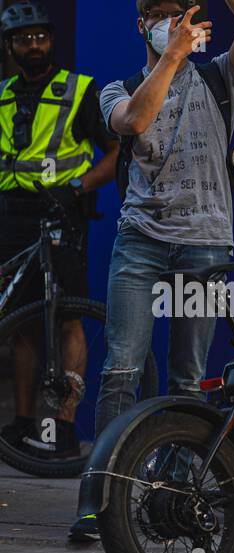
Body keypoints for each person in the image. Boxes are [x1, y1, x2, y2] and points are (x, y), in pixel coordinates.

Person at [69, 0, 234, 543]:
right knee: (121, 369)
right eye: (157, 14)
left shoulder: (220, 76)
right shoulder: (118, 87)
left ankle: (177, 494)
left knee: (187, 374)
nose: (169, 21)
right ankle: (102, 496)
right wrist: (173, 56)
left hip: (204, 243)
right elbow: (135, 120)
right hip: (141, 242)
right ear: (142, 25)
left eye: (178, 11)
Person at [0, 1, 118, 458]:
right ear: (9, 46)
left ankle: (64, 428)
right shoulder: (4, 94)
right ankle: (23, 422)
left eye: (40, 37)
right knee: (22, 326)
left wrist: (77, 188)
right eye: (23, 38)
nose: (33, 45)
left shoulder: (78, 90)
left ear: (52, 40)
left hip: (61, 214)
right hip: (12, 215)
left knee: (68, 318)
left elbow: (114, 153)